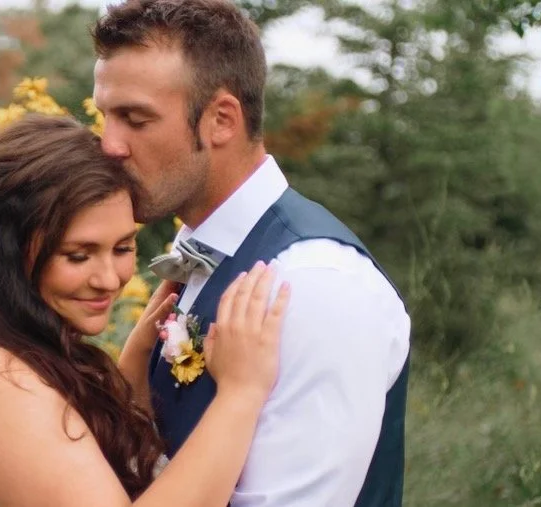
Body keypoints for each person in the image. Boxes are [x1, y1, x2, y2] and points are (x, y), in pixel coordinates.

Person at [91, 0, 412, 506]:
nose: (109, 144)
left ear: (221, 120)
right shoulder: (195, 251)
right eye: (105, 115)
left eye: (135, 119)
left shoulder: (317, 285)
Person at [0, 114, 292, 506]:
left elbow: (73, 454)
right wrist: (241, 393)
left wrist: (133, 364)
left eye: (123, 248)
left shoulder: (12, 355)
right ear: (7, 255)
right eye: (79, 256)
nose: (110, 279)